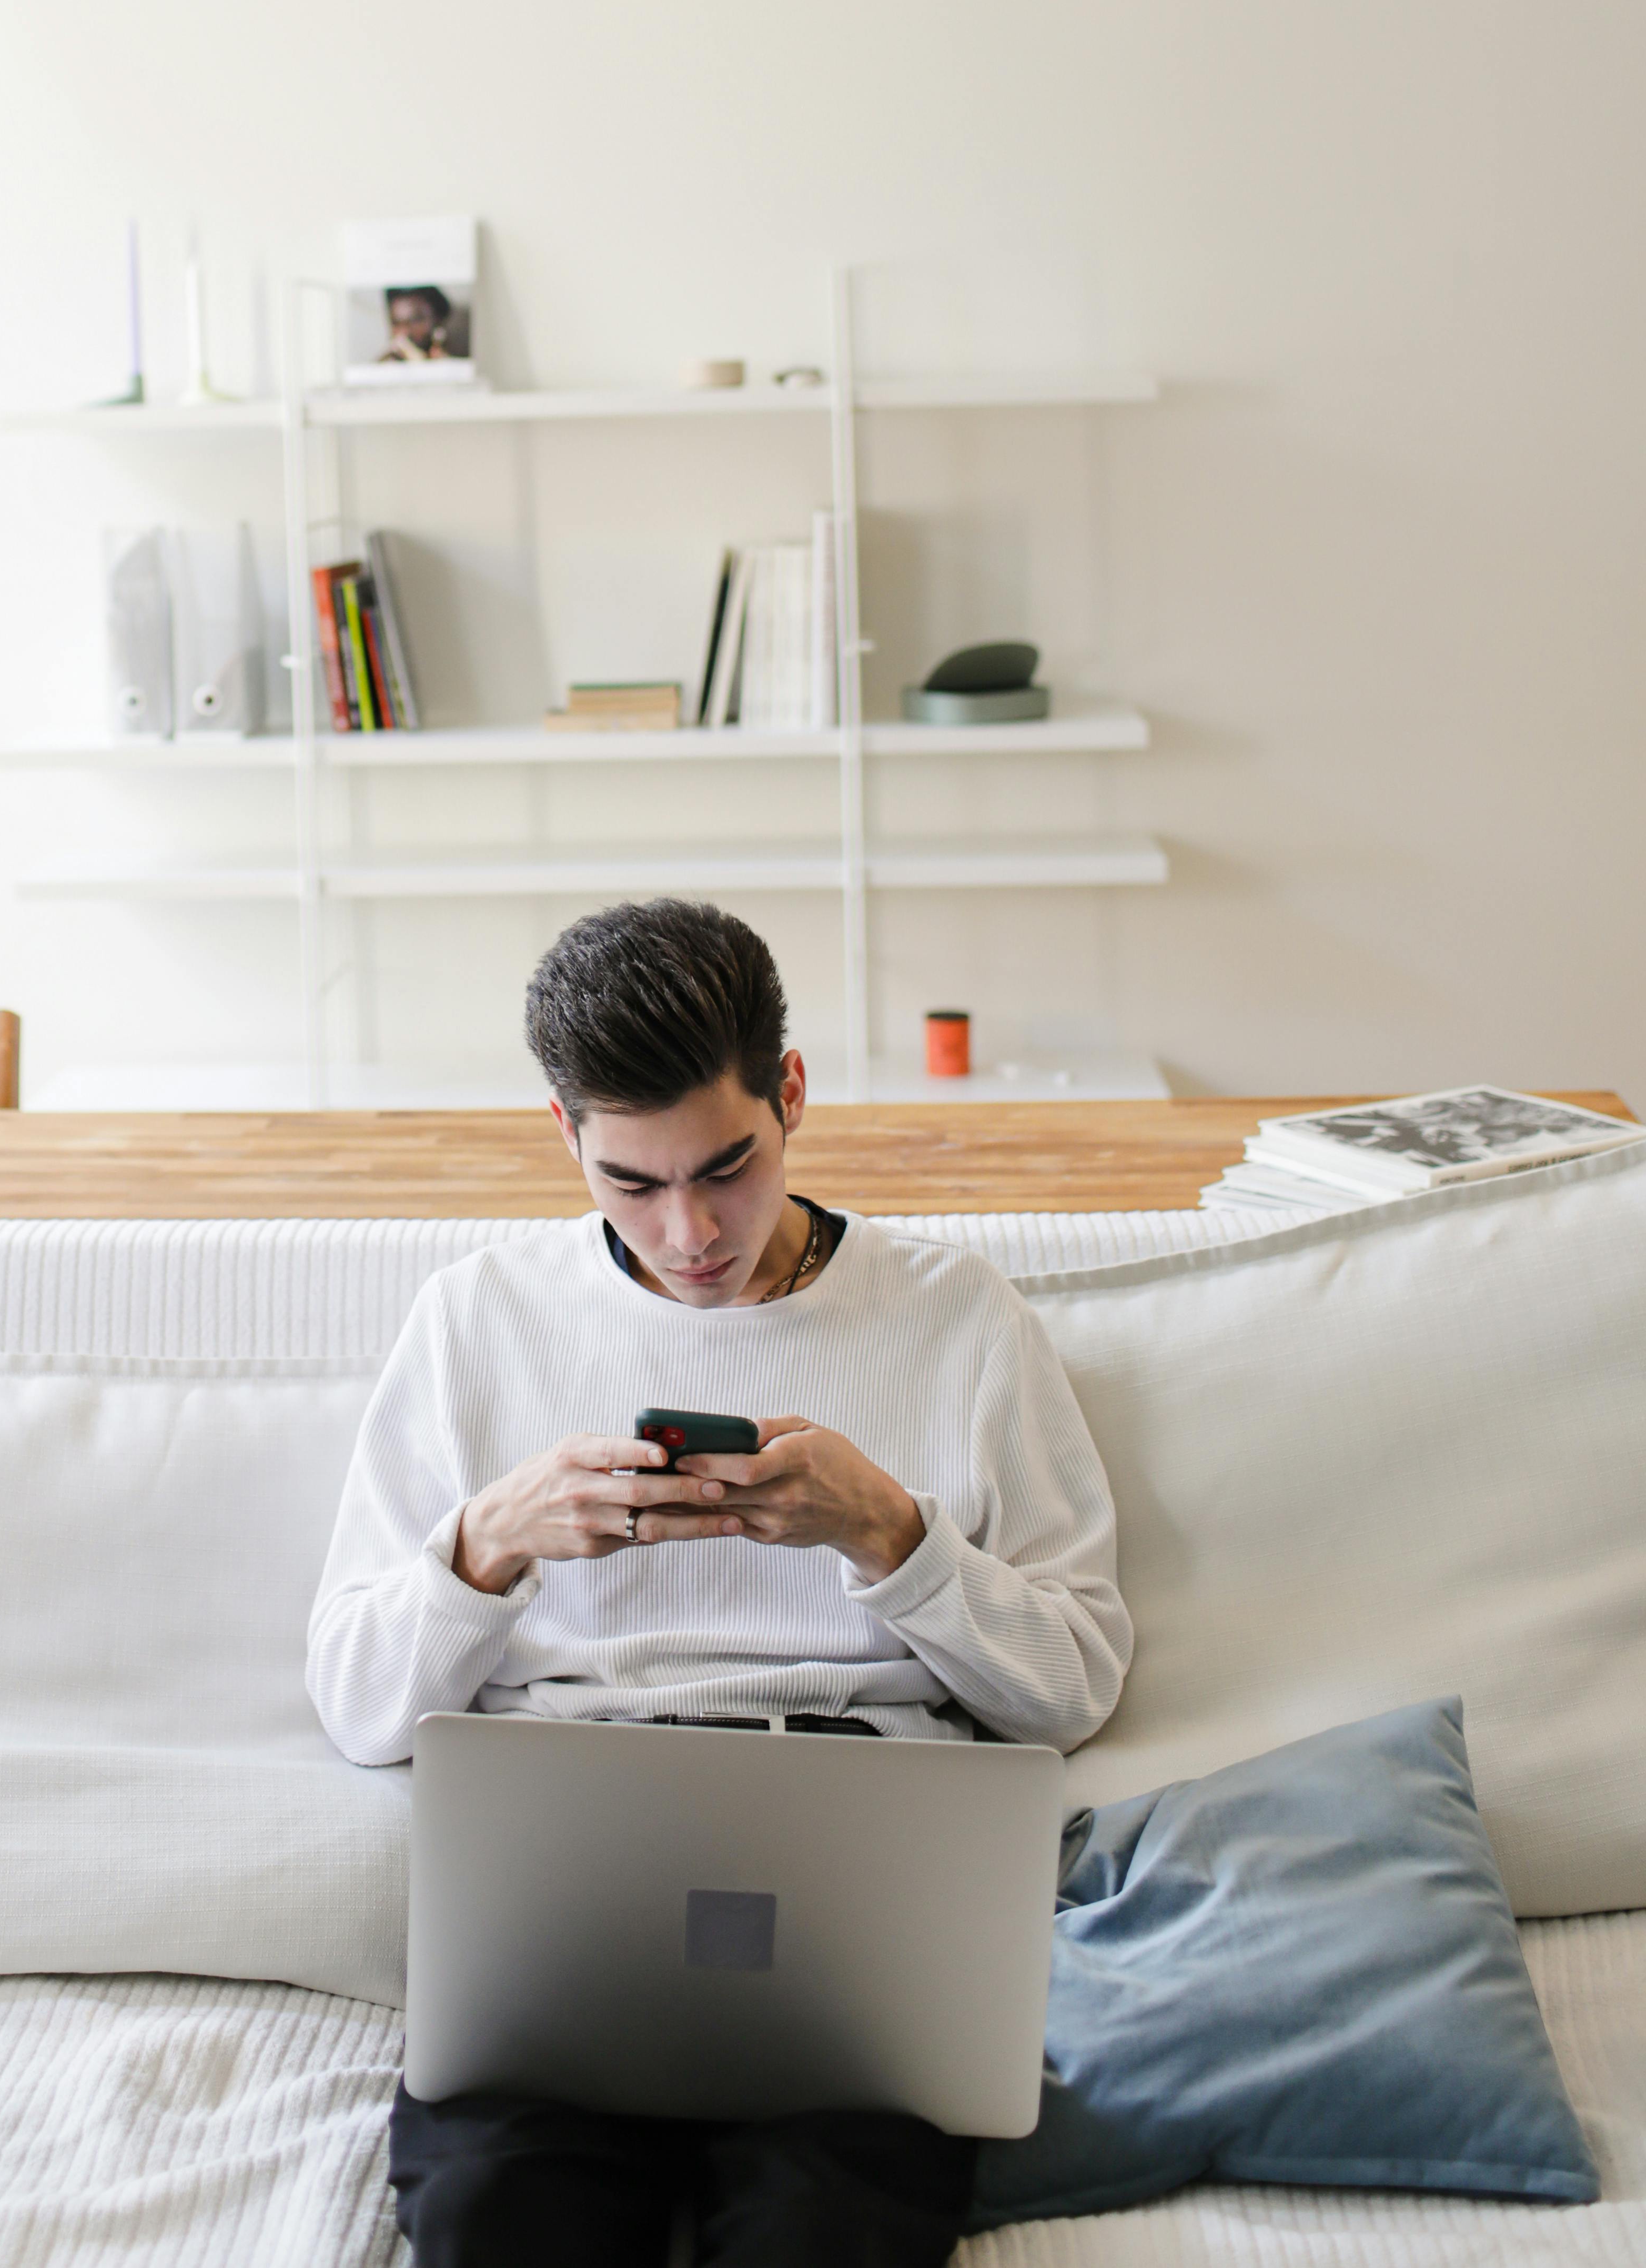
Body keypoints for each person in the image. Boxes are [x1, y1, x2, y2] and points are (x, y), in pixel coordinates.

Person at [306, 899, 1130, 2268]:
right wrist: (488, 1543)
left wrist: (891, 1535)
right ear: (564, 1133)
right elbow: (354, 1702)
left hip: (858, 1901)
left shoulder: (961, 1320)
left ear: (790, 1092)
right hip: (568, 1884)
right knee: (502, 2223)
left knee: (824, 2234)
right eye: (631, 1183)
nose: (687, 1230)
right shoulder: (475, 1319)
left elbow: (1075, 1687)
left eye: (726, 1168)